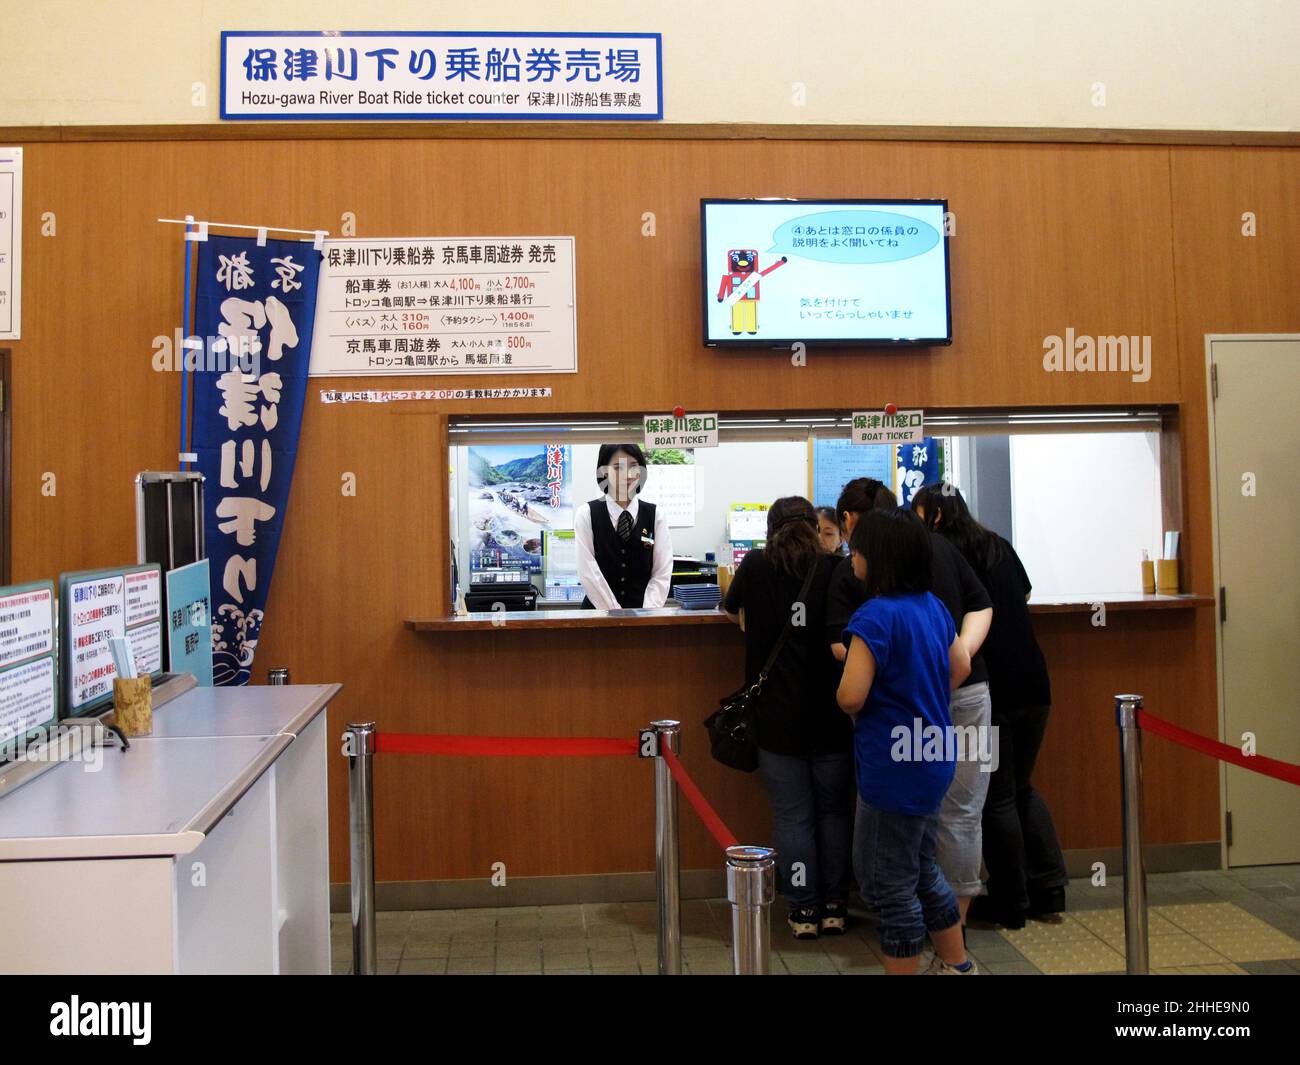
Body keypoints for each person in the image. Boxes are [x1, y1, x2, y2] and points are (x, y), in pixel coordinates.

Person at [827, 478, 993, 925]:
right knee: (953, 823)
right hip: (951, 719)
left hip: (893, 754)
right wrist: (927, 680)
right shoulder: (934, 601)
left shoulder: (874, 614)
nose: (850, 554)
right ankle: (954, 941)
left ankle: (914, 936)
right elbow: (962, 655)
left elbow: (850, 695)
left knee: (889, 877)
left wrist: (887, 673)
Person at [912, 483, 1068, 929]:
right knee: (1021, 788)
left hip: (989, 689)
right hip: (1034, 685)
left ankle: (1011, 899)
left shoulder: (940, 554)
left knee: (996, 798)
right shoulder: (996, 543)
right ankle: (1048, 886)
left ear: (935, 516)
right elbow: (1022, 596)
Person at [723, 497, 853, 940]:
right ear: (815, 527)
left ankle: (803, 910)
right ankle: (836, 905)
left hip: (777, 719)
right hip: (834, 713)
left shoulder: (757, 565)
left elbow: (729, 606)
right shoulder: (835, 567)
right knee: (834, 813)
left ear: (770, 528)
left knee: (794, 816)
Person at [574, 443, 673, 609]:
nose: (627, 475)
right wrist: (614, 614)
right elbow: (587, 572)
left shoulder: (656, 515)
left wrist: (647, 613)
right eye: (618, 467)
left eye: (633, 466)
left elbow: (662, 572)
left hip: (644, 618)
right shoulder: (586, 514)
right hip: (597, 617)